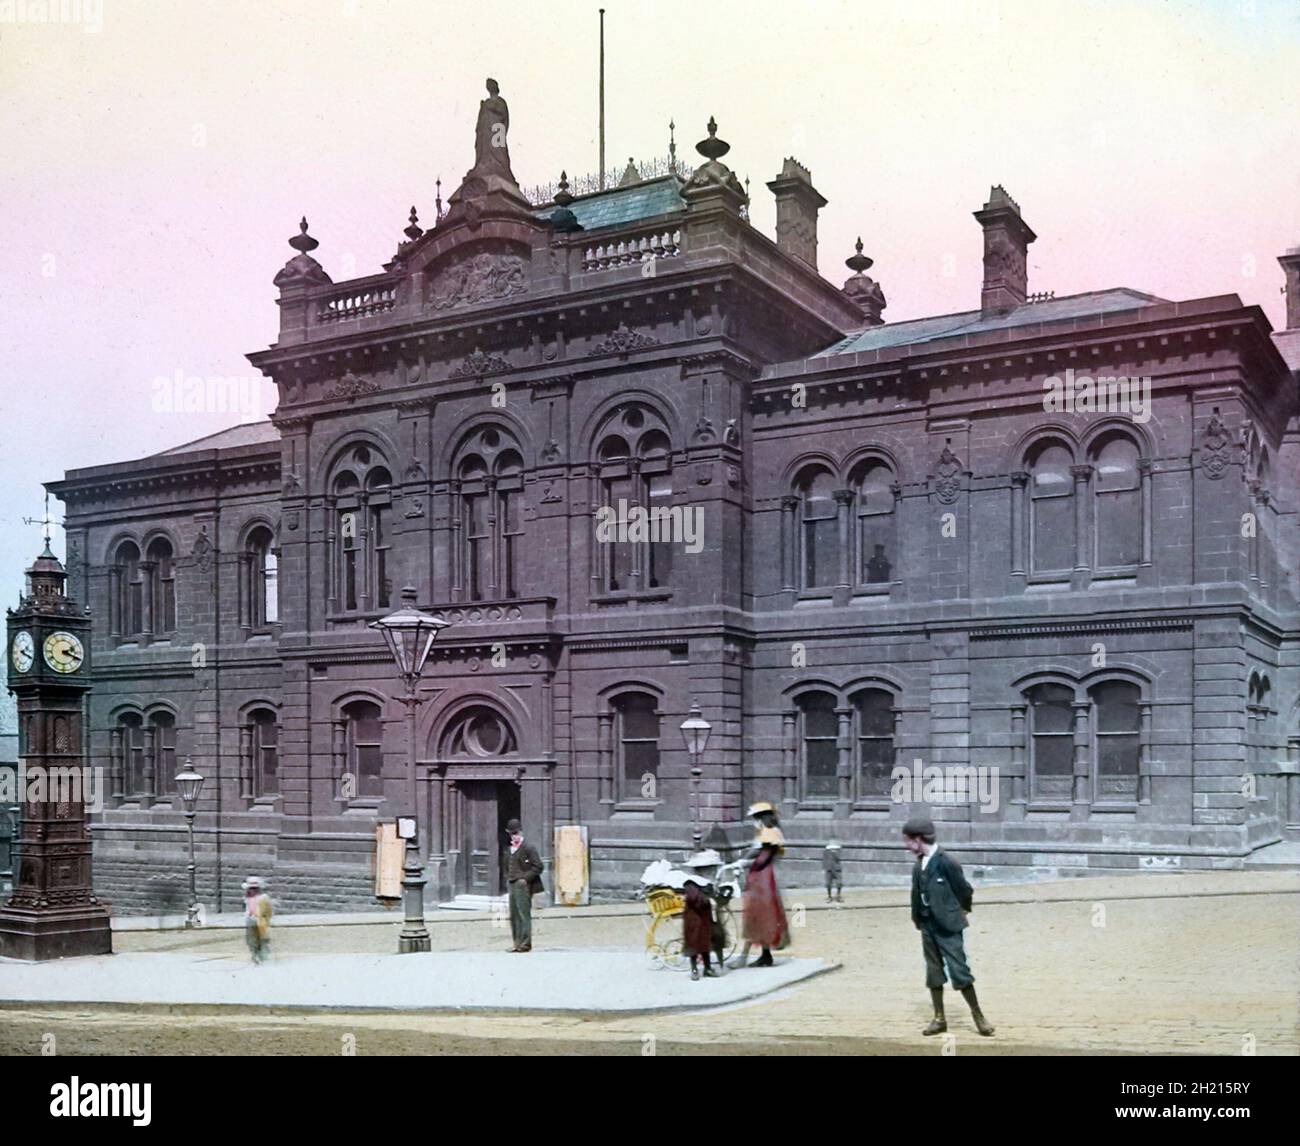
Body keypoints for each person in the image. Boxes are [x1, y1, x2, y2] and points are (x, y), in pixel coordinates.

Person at [902, 817, 994, 1037]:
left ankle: (979, 1017)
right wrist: (919, 920)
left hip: (948, 927)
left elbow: (965, 891)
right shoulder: (919, 864)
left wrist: (959, 913)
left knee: (959, 971)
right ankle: (939, 1018)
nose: (905, 845)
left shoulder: (946, 862)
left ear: (918, 839)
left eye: (907, 840)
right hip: (927, 926)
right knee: (933, 972)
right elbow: (916, 894)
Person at [739, 801, 788, 967]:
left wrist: (742, 863)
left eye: (756, 818)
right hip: (762, 877)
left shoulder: (771, 834)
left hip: (764, 879)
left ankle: (750, 956)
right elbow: (756, 851)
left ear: (763, 817)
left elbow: (762, 858)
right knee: (761, 915)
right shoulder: (767, 833)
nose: (755, 821)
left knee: (760, 914)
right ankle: (765, 955)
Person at [505, 817, 544, 953]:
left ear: (521, 832)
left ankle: (525, 943)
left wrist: (525, 879)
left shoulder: (528, 847)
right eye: (512, 833)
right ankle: (516, 943)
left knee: (523, 915)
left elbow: (538, 866)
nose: (514, 836)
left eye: (516, 833)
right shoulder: (509, 849)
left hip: (523, 885)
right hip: (512, 884)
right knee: (514, 915)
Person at [682, 876, 718, 980]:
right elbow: (694, 899)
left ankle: (707, 968)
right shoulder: (690, 884)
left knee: (705, 944)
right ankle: (694, 969)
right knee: (693, 944)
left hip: (704, 919)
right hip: (694, 920)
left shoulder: (704, 883)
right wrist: (706, 899)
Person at [242, 876, 273, 964]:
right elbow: (247, 909)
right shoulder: (247, 898)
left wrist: (267, 920)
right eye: (250, 889)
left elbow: (268, 911)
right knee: (251, 940)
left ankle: (263, 957)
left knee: (263, 940)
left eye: (254, 889)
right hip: (250, 921)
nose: (252, 891)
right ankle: (254, 955)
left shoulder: (263, 898)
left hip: (261, 922)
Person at [823, 839, 843, 903]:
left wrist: (834, 853)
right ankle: (829, 896)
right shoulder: (826, 851)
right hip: (829, 869)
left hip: (837, 869)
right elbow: (824, 860)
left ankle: (838, 896)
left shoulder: (838, 851)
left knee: (839, 883)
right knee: (828, 884)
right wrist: (824, 868)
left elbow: (838, 858)